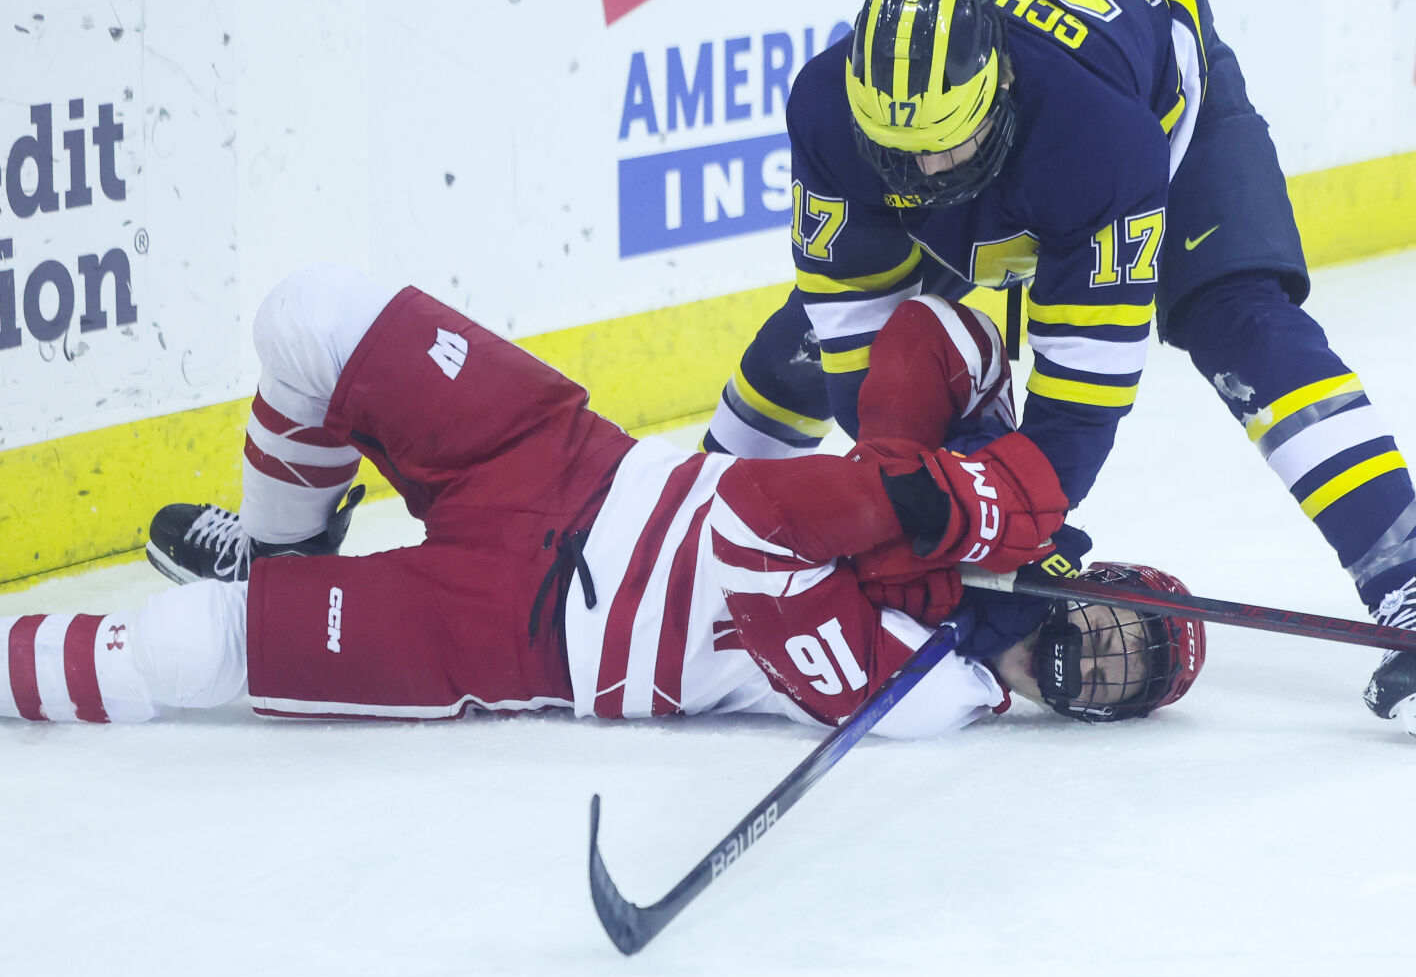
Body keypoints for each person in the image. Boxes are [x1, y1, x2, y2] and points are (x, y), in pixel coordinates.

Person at [701, 0, 1416, 741]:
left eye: (947, 140)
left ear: (999, 82)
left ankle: (1413, 590)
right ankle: (696, 513)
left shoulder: (1098, 139)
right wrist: (936, 519)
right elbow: (859, 367)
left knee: (1236, 317)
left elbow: (1078, 404)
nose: (928, 166)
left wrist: (1009, 527)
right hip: (1016, 112)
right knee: (823, 329)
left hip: (1164, 109)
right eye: (899, 147)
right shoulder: (828, 108)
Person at [0, 264, 1203, 732]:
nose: (1092, 662)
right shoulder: (999, 502)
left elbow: (758, 548)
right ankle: (278, 550)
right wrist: (956, 473)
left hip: (519, 628)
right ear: (1105, 581)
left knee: (173, 646)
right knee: (309, 319)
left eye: (1114, 684)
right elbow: (927, 331)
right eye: (1121, 634)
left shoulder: (940, 694)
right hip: (574, 459)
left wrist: (927, 506)